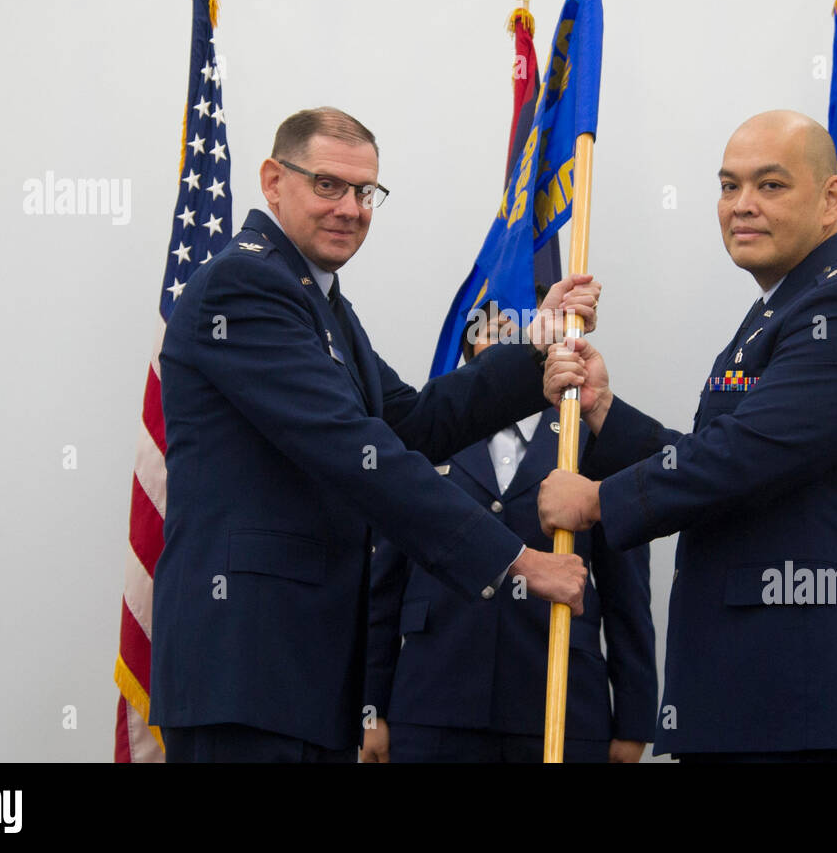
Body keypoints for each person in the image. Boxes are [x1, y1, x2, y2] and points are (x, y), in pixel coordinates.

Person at [150, 106, 598, 762]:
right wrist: (517, 561)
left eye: (366, 192)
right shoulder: (247, 286)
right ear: (274, 181)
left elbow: (413, 424)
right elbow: (358, 456)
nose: (351, 208)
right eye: (328, 184)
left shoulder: (318, 298)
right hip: (247, 669)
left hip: (297, 675)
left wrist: (536, 350)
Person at [538, 110, 837, 762]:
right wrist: (607, 413)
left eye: (770, 186)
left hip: (805, 708)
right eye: (728, 186)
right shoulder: (784, 309)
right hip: (758, 703)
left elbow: (743, 459)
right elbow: (734, 457)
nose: (741, 206)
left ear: (833, 199)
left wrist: (597, 501)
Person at [360, 299, 657, 764]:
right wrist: (370, 709)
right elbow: (381, 587)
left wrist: (634, 722)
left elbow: (628, 594)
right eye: (499, 330)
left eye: (529, 330)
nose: (515, 341)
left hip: (558, 704)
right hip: (433, 703)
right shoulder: (425, 439)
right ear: (470, 349)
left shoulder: (594, 443)